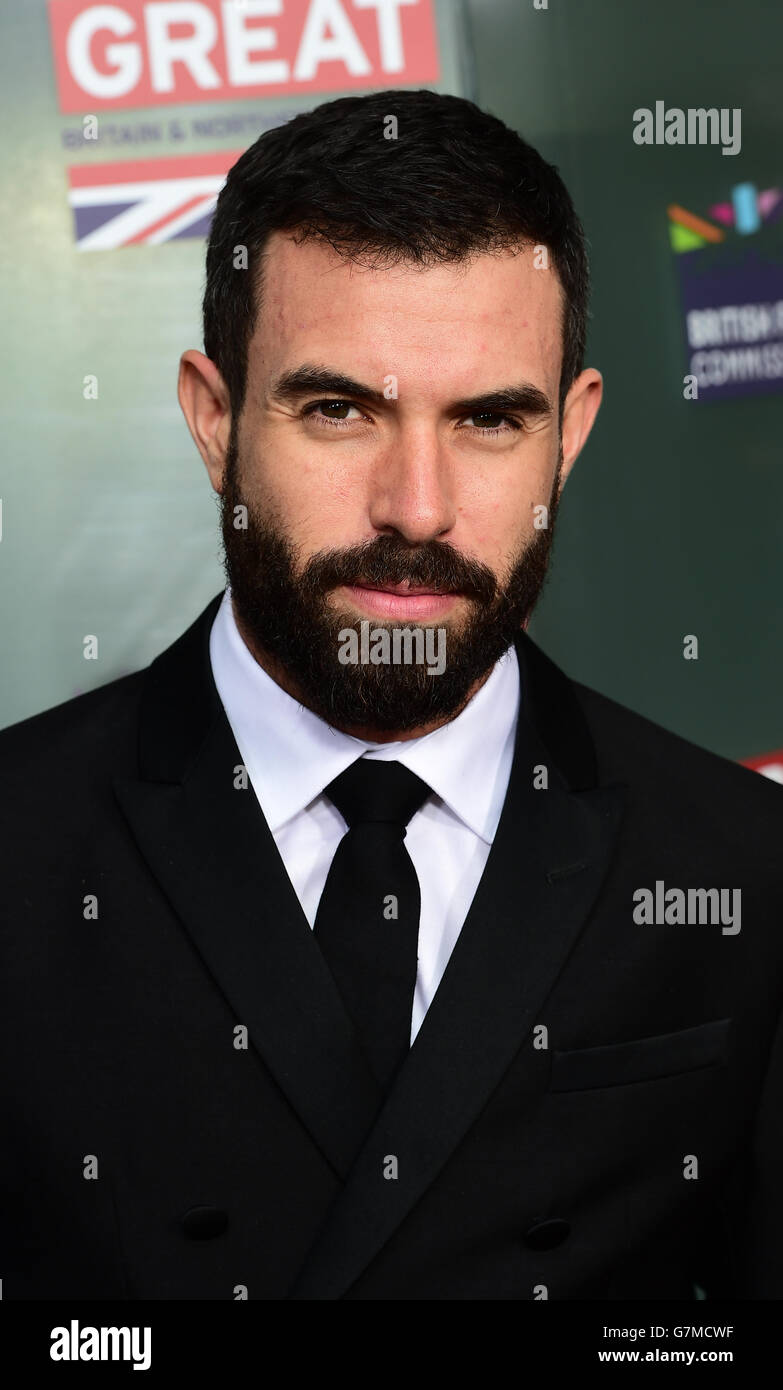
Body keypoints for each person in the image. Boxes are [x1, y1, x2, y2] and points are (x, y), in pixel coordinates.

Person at [1, 89, 781, 1302]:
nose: (415, 507)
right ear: (215, 424)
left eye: (487, 419)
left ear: (568, 437)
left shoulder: (747, 870)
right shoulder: (19, 846)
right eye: (337, 410)